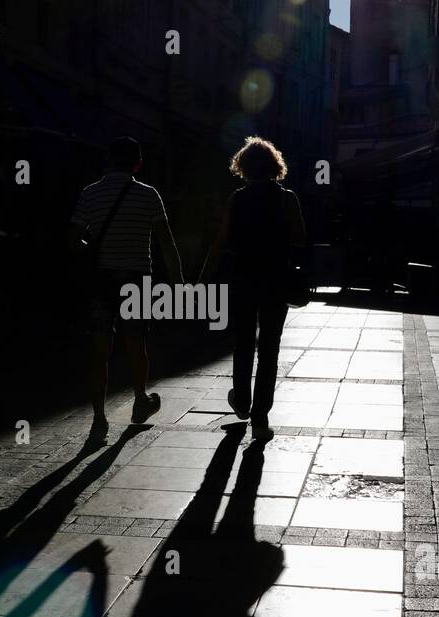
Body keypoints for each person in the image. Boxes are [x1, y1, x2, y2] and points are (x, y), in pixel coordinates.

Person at [70, 137, 183, 442]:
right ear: (138, 163)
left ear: (108, 160)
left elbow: (73, 240)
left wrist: (93, 248)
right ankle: (139, 401)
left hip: (101, 280)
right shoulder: (149, 195)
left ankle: (98, 420)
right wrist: (179, 282)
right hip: (136, 281)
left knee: (99, 350)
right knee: (136, 344)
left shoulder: (90, 194)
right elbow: (166, 242)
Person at [200, 136, 306, 441]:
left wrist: (203, 277)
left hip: (243, 278)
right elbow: (300, 238)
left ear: (244, 167)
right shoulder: (287, 198)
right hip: (276, 279)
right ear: (275, 166)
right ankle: (260, 417)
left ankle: (243, 403)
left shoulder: (238, 199)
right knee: (269, 349)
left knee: (243, 343)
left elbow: (220, 242)